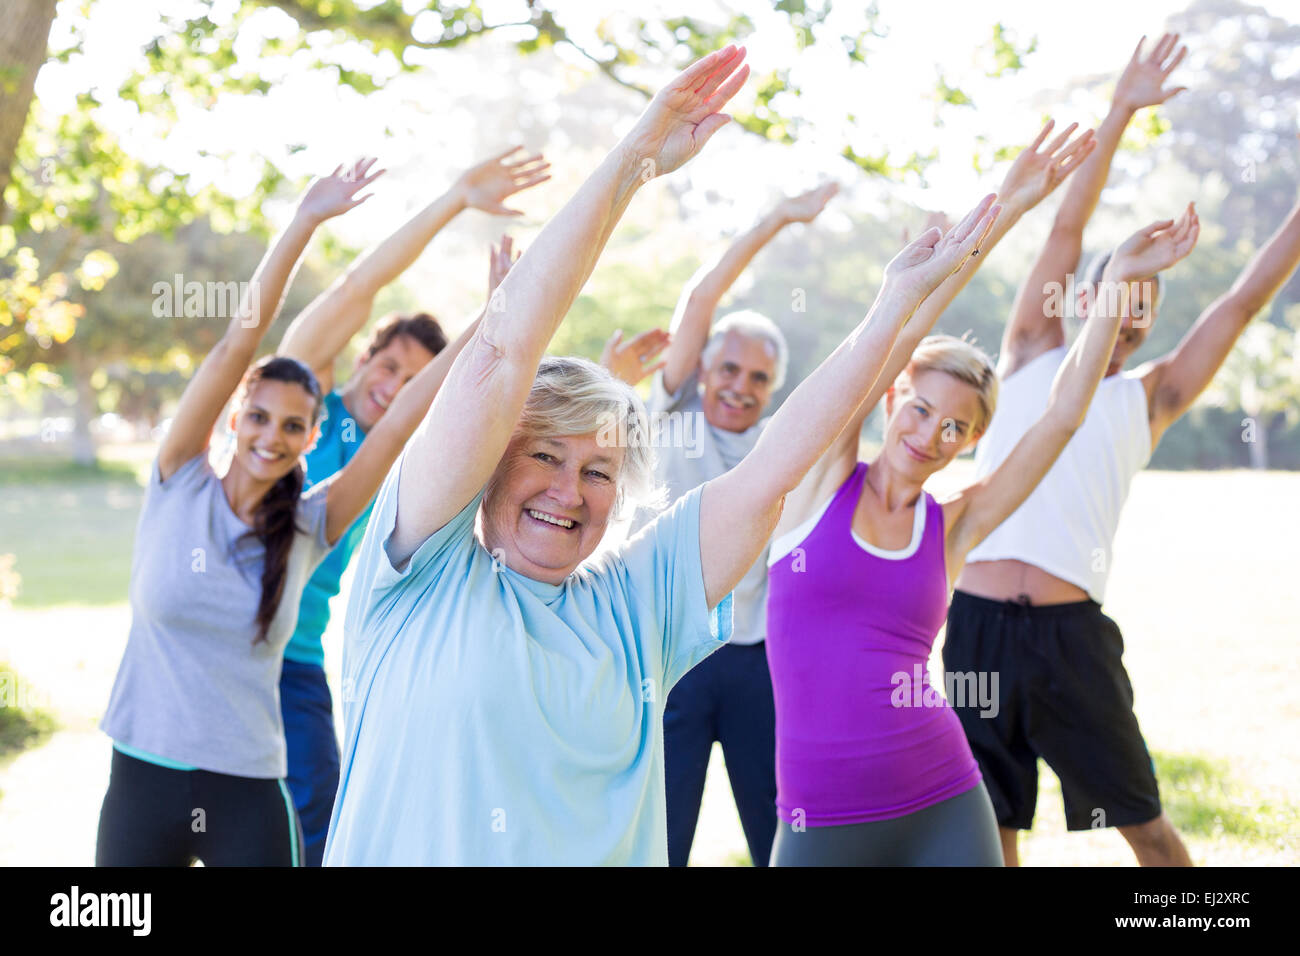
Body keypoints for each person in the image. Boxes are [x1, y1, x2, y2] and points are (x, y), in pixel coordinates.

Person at [323, 45, 999, 866]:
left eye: (599, 470)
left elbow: (772, 469)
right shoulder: (416, 570)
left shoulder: (639, 603)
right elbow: (502, 351)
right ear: (492, 462)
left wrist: (896, 305)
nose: (569, 490)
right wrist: (635, 160)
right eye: (544, 455)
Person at [947, 33, 1300, 867]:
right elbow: (1068, 221)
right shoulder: (1033, 345)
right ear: (1086, 297)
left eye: (1147, 304)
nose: (1131, 313)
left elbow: (1246, 299)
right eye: (1120, 291)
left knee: (1142, 823)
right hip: (976, 631)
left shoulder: (1151, 396)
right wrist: (1121, 108)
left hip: (1073, 641)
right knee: (987, 832)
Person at [766, 199, 1199, 866]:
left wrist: (1114, 291)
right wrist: (932, 269)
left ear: (971, 442)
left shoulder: (953, 523)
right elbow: (879, 353)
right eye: (919, 409)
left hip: (942, 793)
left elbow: (1060, 417)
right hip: (818, 812)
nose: (929, 434)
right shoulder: (823, 483)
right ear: (890, 402)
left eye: (954, 428)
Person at [95, 162, 493, 866]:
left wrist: (495, 317)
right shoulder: (177, 477)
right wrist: (304, 221)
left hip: (249, 773)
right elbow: (235, 346)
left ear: (313, 437)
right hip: (143, 772)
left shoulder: (314, 521)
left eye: (291, 427)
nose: (269, 437)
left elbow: (403, 422)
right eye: (257, 417)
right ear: (235, 415)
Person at [273, 148, 545, 866]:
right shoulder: (304, 405)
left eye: (414, 378)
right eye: (388, 366)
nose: (395, 386)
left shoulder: (397, 461)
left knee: (320, 830)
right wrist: (455, 197)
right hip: (217, 644)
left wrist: (499, 314)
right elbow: (359, 286)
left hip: (294, 659)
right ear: (361, 359)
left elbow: (467, 397)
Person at [601, 183, 836, 868]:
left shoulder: (776, 444)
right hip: (669, 658)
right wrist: (777, 217)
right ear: (702, 367)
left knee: (776, 835)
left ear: (772, 390)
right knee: (661, 836)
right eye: (727, 368)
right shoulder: (674, 412)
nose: (738, 385)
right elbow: (700, 300)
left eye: (758, 378)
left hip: (752, 663)